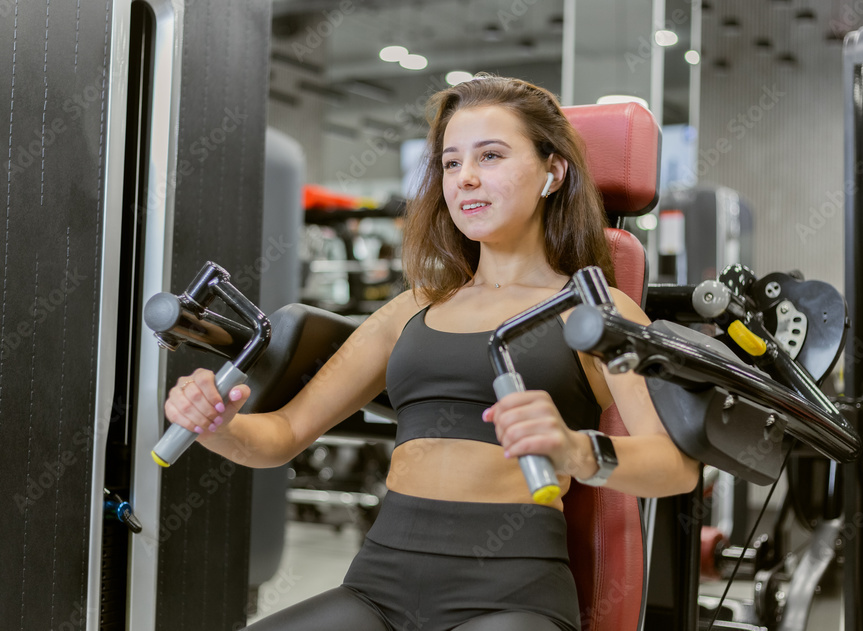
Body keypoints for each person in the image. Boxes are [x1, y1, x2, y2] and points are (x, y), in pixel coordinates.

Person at [165, 74, 699, 631]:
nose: (465, 178)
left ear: (552, 171)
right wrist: (218, 424)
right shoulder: (411, 310)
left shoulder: (595, 310)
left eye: (490, 156)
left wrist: (575, 450)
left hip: (509, 597)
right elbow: (280, 437)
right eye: (450, 163)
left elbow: (673, 467)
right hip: (378, 588)